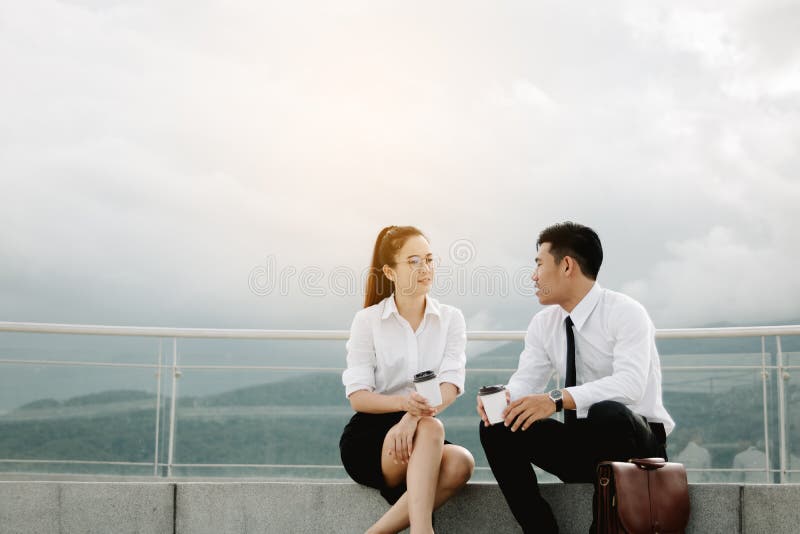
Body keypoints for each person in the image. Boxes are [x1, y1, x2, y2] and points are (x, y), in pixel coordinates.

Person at [477, 221, 674, 534]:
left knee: (606, 412)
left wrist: (557, 399)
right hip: (582, 448)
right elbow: (525, 382)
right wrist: (502, 402)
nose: (533, 275)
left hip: (635, 449)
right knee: (499, 425)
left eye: (539, 264)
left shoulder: (626, 312)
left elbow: (631, 386)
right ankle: (540, 529)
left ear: (566, 265)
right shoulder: (544, 323)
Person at [340, 225, 475, 534]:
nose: (425, 268)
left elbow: (450, 386)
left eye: (429, 259)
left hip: (422, 430)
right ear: (389, 271)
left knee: (461, 463)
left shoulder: (451, 318)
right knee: (431, 426)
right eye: (414, 261)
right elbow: (358, 397)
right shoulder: (368, 320)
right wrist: (405, 407)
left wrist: (412, 417)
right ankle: (422, 530)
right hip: (371, 436)